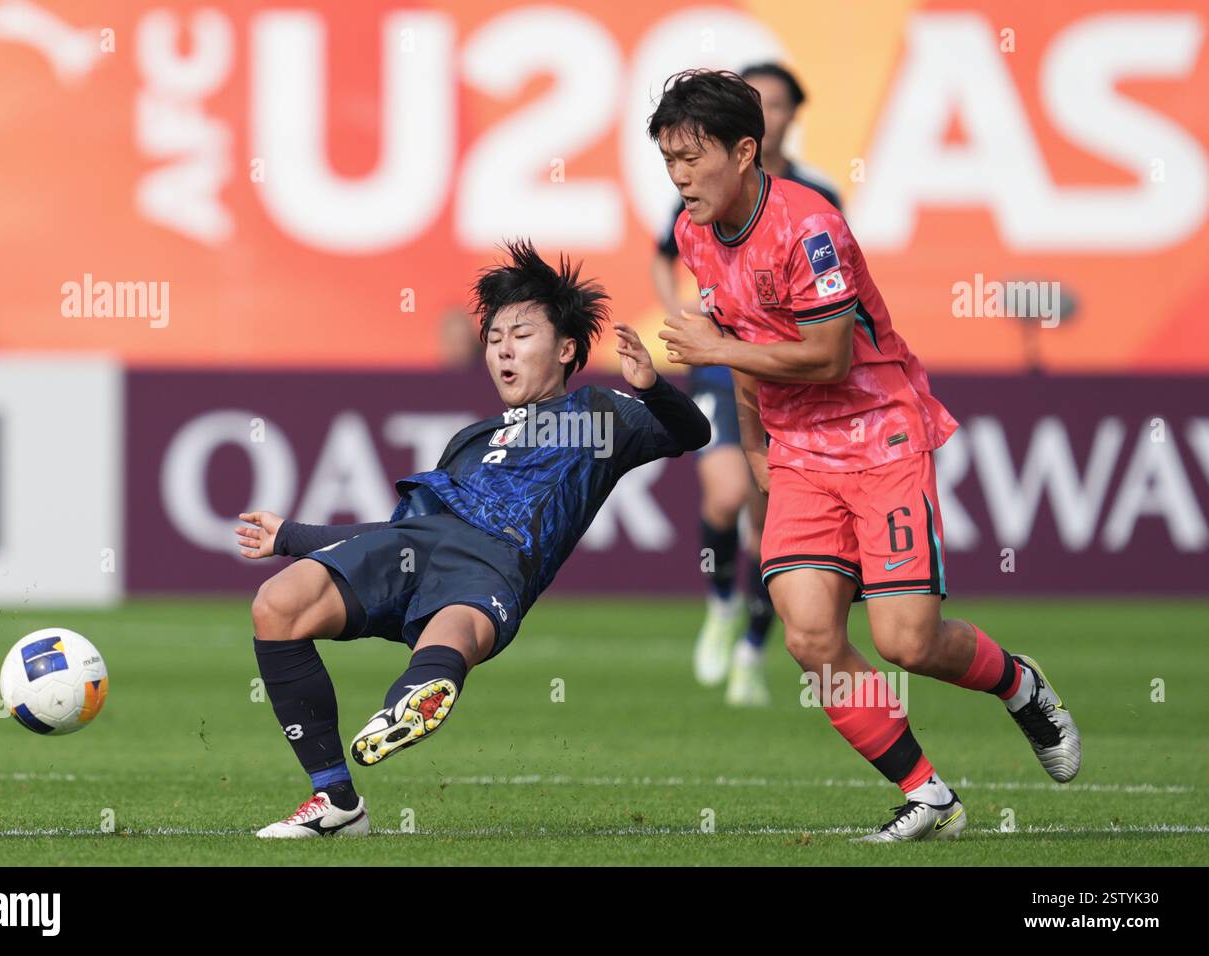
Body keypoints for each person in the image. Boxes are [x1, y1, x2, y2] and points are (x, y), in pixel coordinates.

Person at [650, 69, 1081, 842]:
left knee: (906, 641)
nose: (680, 176)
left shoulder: (810, 228)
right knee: (810, 635)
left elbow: (827, 357)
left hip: (880, 431)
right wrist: (756, 448)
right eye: (669, 159)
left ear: (746, 151)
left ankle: (1022, 685)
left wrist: (718, 348)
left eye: (693, 156)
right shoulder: (693, 235)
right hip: (800, 455)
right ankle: (931, 799)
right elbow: (745, 346)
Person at [235, 239, 711, 838]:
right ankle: (336, 801)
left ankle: (414, 696)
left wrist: (653, 388)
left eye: (521, 335)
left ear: (566, 349)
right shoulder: (469, 438)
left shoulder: (598, 414)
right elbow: (405, 530)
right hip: (423, 543)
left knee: (453, 626)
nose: (503, 350)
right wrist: (295, 536)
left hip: (498, 559)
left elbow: (693, 431)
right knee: (277, 604)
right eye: (494, 339)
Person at [649, 63, 840, 707]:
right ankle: (722, 604)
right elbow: (666, 257)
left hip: (793, 374)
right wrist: (691, 328)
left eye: (779, 102)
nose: (678, 171)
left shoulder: (816, 205)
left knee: (769, 528)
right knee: (727, 490)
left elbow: (832, 338)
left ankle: (753, 651)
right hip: (725, 361)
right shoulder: (699, 202)